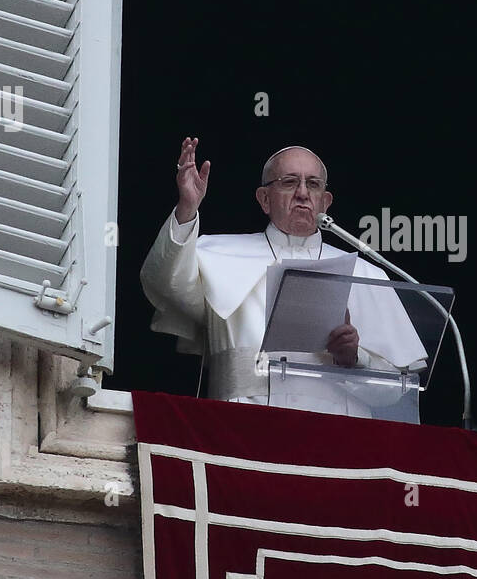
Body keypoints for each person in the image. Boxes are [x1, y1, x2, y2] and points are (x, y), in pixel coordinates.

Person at [140, 138, 426, 416]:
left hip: (340, 444)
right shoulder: (216, 255)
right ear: (264, 199)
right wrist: (187, 208)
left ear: (325, 202)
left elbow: (393, 391)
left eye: (313, 184)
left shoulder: (367, 274)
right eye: (289, 182)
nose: (303, 193)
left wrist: (354, 358)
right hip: (242, 430)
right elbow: (165, 284)